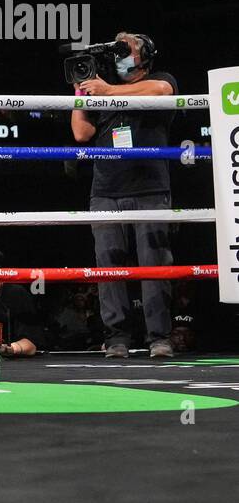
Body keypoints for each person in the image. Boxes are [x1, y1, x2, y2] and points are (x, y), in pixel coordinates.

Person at [71, 32, 177, 359]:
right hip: (105, 190)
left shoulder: (158, 80)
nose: (119, 55)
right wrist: (82, 86)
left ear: (144, 56)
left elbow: (163, 91)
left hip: (149, 188)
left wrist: (109, 91)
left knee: (154, 266)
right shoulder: (102, 90)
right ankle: (116, 338)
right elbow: (81, 133)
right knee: (109, 267)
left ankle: (159, 337)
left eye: (125, 48)